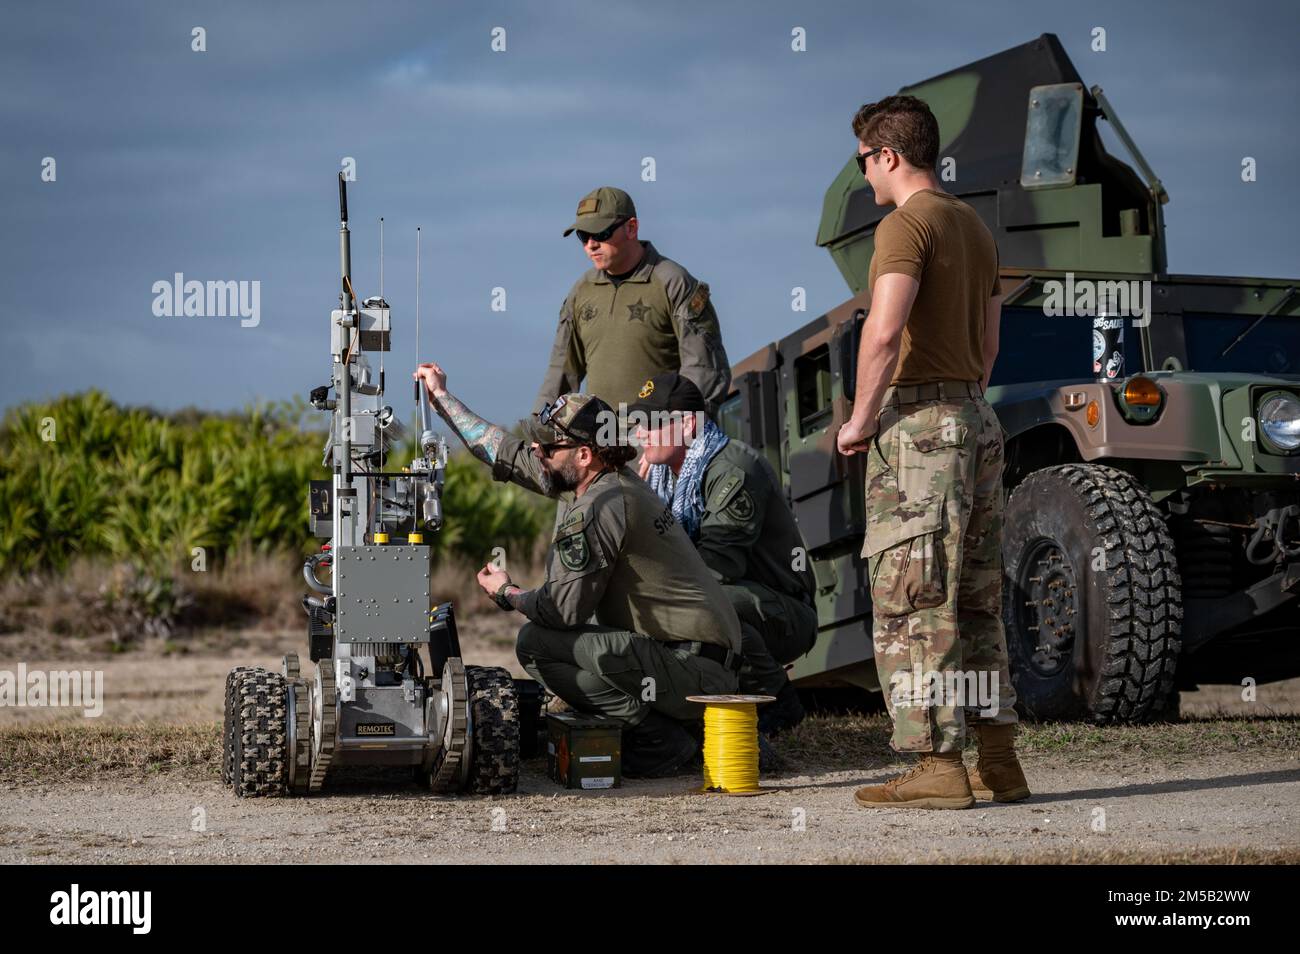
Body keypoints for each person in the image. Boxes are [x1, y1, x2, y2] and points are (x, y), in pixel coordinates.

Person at [834, 95, 1029, 809]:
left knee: (911, 598)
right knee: (975, 597)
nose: (863, 177)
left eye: (863, 161)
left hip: (922, 427)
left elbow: (882, 334)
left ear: (887, 154)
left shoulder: (904, 225)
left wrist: (858, 422)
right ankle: (998, 760)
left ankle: (934, 763)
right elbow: (991, 345)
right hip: (976, 418)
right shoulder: (973, 226)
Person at [413, 361, 743, 778]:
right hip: (697, 663)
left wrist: (507, 593)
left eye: (549, 448)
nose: (538, 452)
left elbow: (561, 611)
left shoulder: (598, 508)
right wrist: (442, 398)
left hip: (695, 672)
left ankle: (657, 736)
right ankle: (672, 723)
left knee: (535, 641)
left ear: (583, 454)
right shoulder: (605, 480)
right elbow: (506, 451)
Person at [629, 371, 817, 736]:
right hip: (739, 596)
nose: (640, 433)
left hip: (782, 611)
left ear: (687, 424)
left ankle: (776, 700)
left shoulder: (731, 468)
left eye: (650, 423)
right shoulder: (664, 475)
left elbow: (716, 567)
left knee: (707, 602)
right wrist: (639, 498)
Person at [533, 186, 732, 417]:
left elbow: (704, 368)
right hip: (602, 442)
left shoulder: (673, 282)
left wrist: (675, 433)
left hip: (661, 437)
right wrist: (542, 428)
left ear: (631, 228)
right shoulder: (581, 291)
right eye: (583, 236)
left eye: (600, 234)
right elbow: (562, 371)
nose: (591, 244)